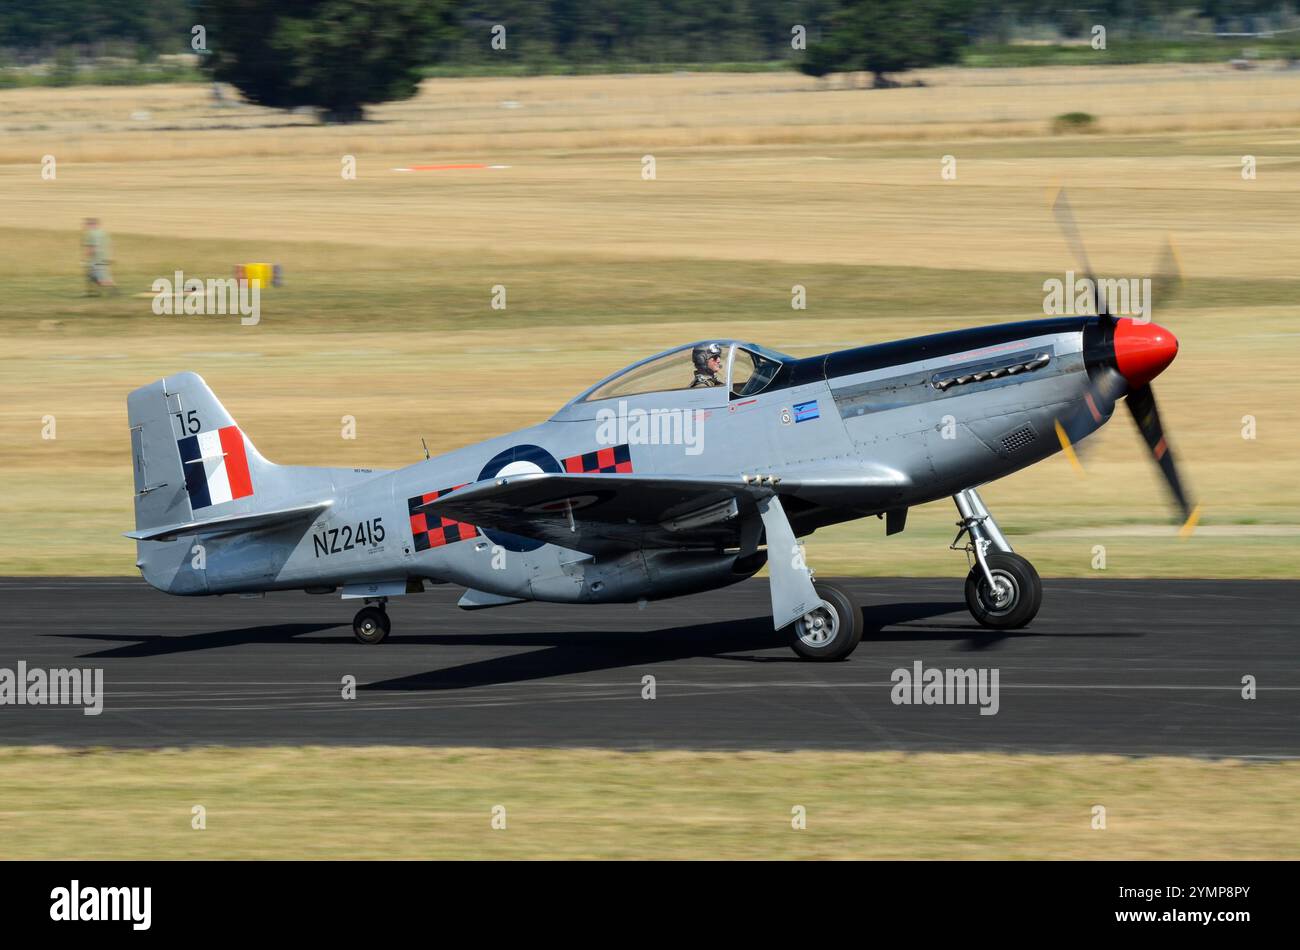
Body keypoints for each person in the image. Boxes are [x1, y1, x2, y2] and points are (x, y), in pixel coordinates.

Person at [82, 218, 115, 294]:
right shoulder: (104, 233)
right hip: (105, 257)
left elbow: (91, 248)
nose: (85, 226)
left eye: (87, 224)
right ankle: (111, 291)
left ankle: (93, 292)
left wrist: (85, 257)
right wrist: (110, 257)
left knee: (96, 277)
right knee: (102, 275)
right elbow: (110, 244)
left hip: (96, 259)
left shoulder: (90, 234)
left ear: (91, 225)